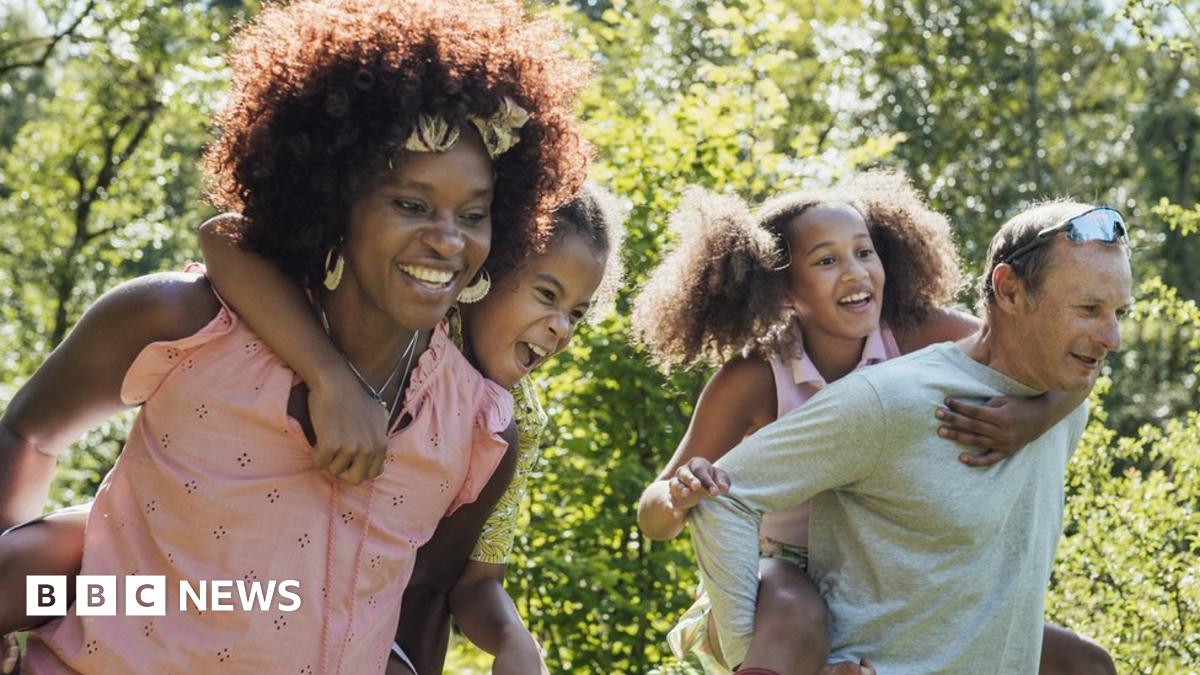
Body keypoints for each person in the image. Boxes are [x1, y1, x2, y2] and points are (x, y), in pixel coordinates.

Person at [0, 0, 590, 672]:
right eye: (410, 204)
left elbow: (418, 604)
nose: (449, 238)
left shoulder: (476, 435)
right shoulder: (184, 326)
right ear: (335, 199)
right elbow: (29, 435)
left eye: (475, 213)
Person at [0, 184, 625, 675]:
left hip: (286, 609)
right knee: (82, 557)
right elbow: (226, 238)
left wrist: (510, 642)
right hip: (154, 590)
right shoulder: (261, 314)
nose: (562, 329)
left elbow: (441, 587)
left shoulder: (492, 422)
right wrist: (331, 379)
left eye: (577, 313)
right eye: (546, 295)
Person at [684, 200, 1132, 675]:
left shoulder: (1063, 398)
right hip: (797, 605)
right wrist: (751, 655)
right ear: (1009, 291)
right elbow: (723, 498)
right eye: (1088, 309)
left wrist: (1041, 413)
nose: (1113, 337)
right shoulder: (885, 400)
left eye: (1119, 311)